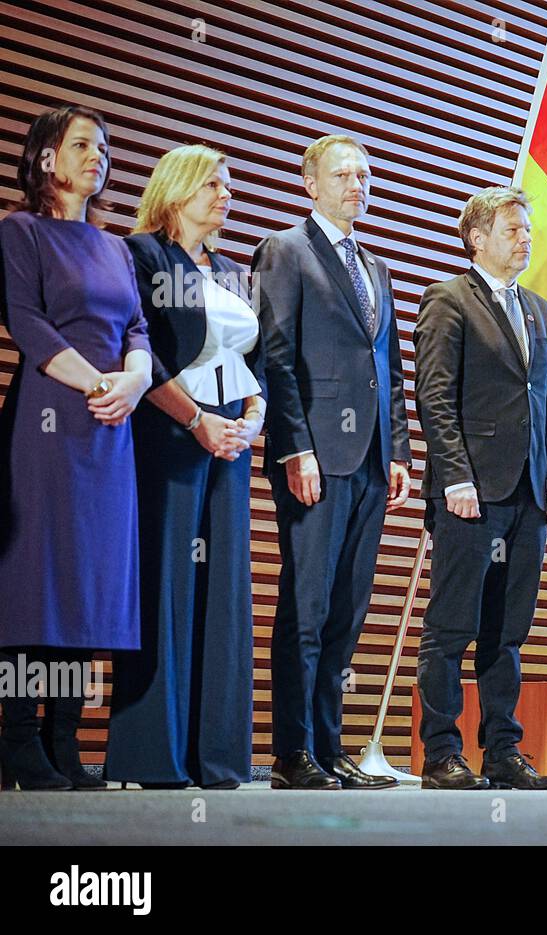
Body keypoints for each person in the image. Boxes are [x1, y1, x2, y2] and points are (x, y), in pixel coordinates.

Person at [0, 105, 152, 790]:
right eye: (83, 145)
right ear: (46, 159)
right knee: (39, 578)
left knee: (90, 582)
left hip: (111, 427)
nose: (98, 155)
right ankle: (19, 736)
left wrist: (136, 379)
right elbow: (25, 322)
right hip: (51, 418)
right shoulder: (21, 231)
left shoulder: (115, 246)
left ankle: (65, 739)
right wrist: (99, 383)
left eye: (105, 147)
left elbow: (140, 329)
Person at [252, 134, 410, 790]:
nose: (357, 183)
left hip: (369, 461)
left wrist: (398, 448)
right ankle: (293, 751)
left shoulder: (376, 267)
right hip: (315, 456)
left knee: (347, 609)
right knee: (307, 607)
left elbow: (390, 372)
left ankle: (329, 743)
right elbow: (277, 353)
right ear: (310, 184)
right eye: (343, 174)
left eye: (365, 174)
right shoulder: (285, 250)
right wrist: (295, 446)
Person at [104, 145, 264, 790]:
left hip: (229, 438)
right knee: (168, 586)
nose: (224, 195)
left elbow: (253, 358)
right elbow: (137, 348)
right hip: (171, 434)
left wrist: (250, 419)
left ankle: (216, 757)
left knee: (223, 593)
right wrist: (197, 421)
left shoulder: (231, 268)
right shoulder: (141, 253)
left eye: (228, 186)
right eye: (212, 185)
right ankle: (155, 756)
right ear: (175, 191)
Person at [413, 186, 547, 791]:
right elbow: (435, 397)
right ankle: (441, 754)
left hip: (529, 494)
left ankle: (503, 751)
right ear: (478, 238)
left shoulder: (539, 308)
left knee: (508, 632)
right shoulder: (448, 300)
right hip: (470, 494)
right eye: (513, 230)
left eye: (528, 230)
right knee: (452, 627)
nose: (525, 239)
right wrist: (453, 475)